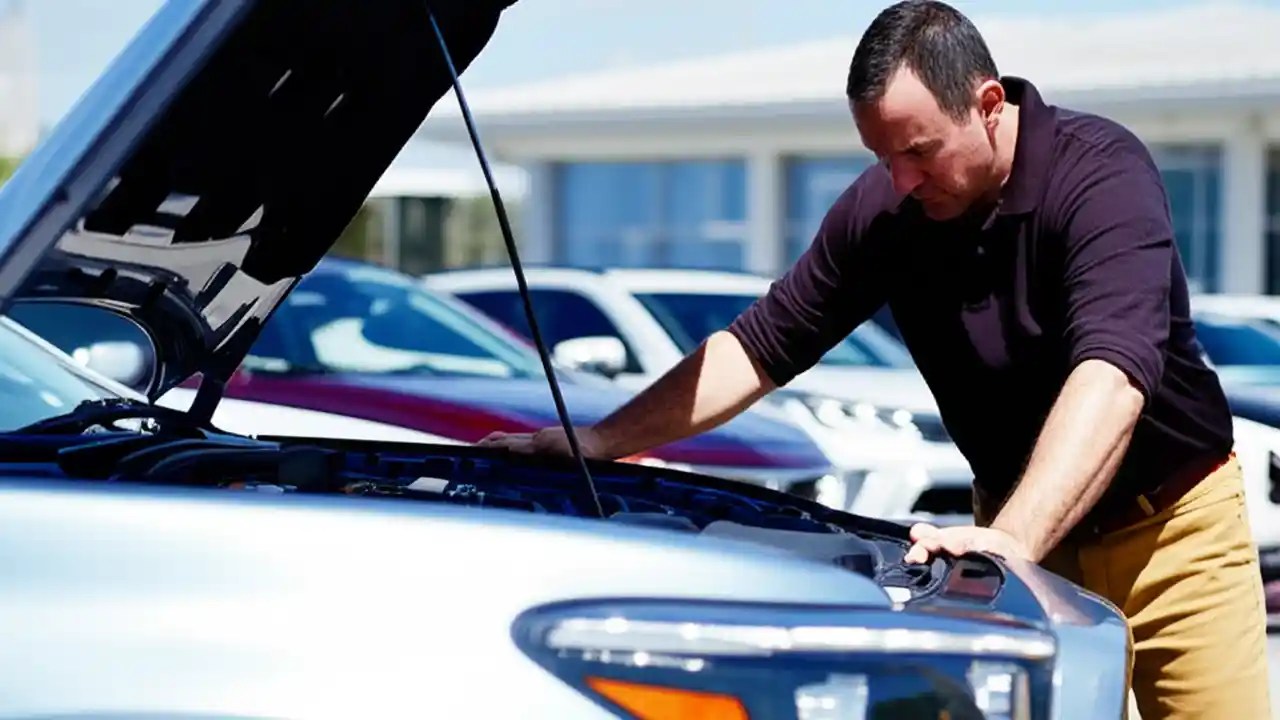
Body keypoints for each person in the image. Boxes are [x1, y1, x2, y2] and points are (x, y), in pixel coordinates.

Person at [479, 1, 1271, 716]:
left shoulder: (1100, 174)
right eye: (881, 155)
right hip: (1017, 537)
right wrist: (597, 442)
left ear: (989, 104)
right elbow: (759, 346)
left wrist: (1016, 538)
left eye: (918, 151)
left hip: (1170, 531)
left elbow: (1114, 370)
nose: (900, 178)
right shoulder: (888, 209)